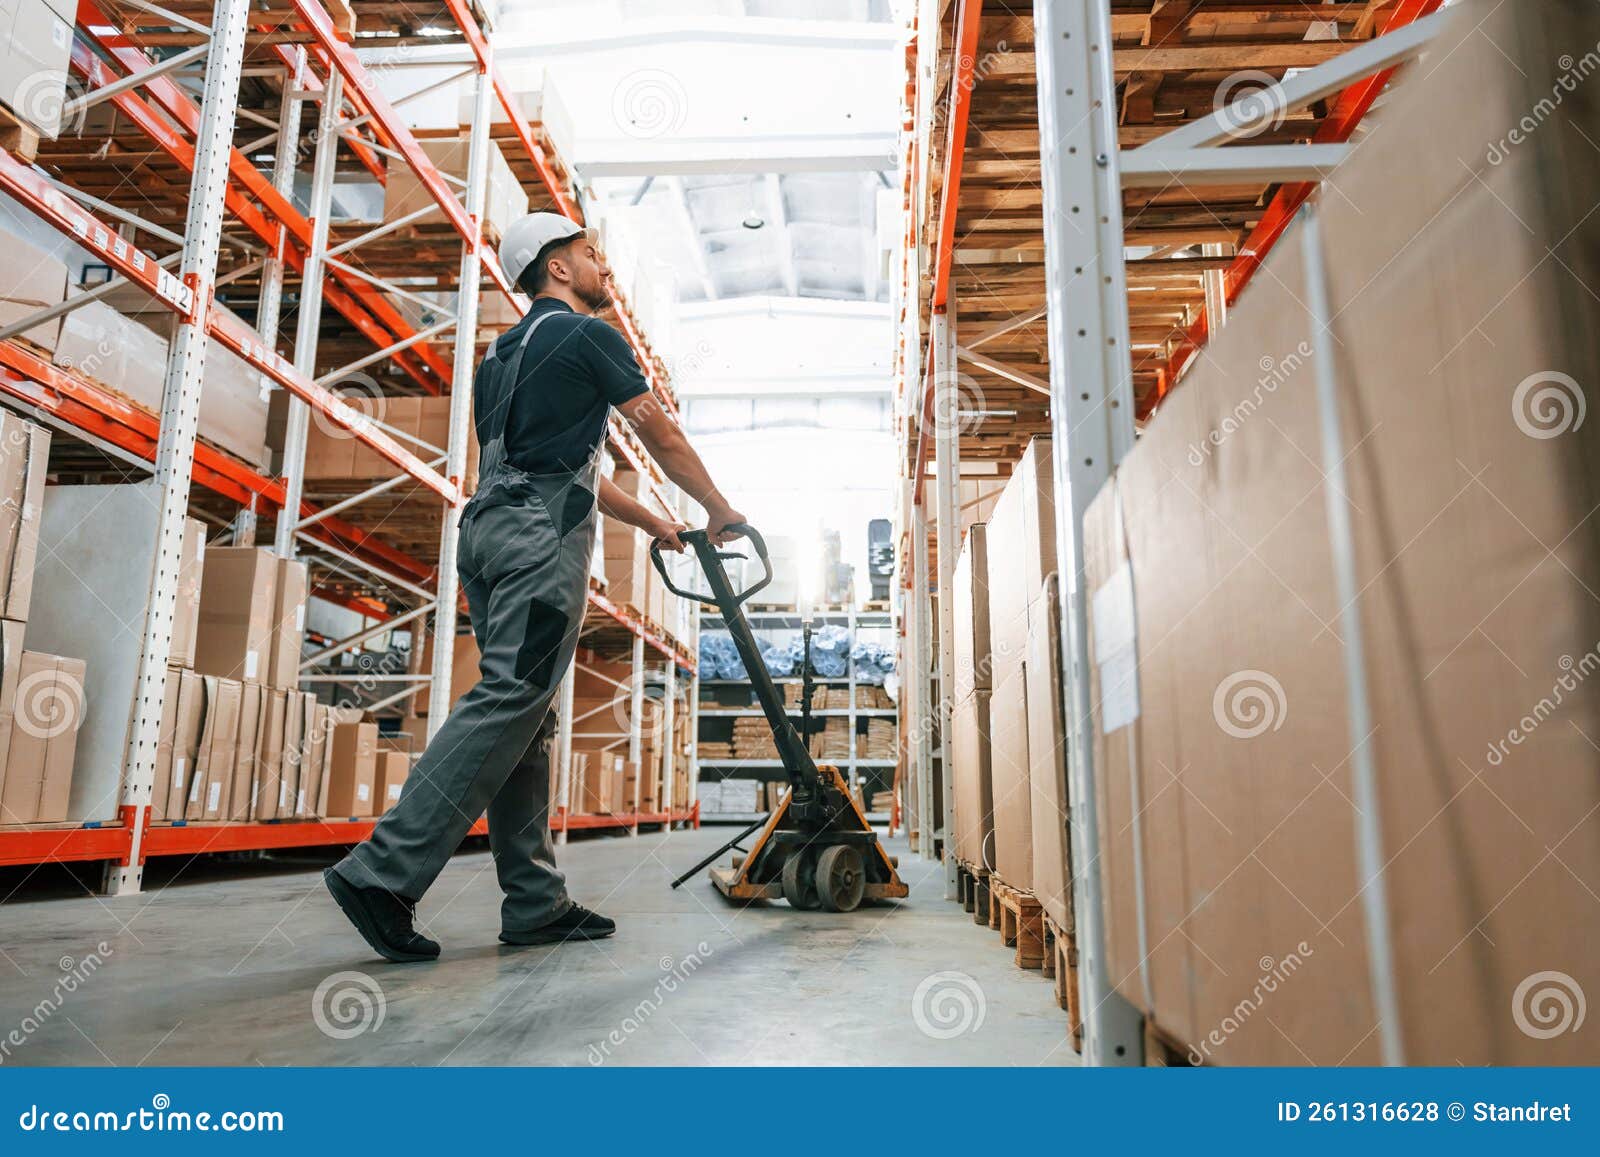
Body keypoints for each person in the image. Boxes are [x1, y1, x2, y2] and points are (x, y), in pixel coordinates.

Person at [325, 212, 746, 962]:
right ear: (557, 268)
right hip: (537, 540)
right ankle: (381, 872)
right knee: (511, 698)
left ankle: (534, 901)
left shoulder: (502, 356)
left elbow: (558, 464)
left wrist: (657, 521)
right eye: (589, 255)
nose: (600, 268)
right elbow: (660, 432)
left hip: (488, 533)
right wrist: (717, 506)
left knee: (526, 715)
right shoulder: (589, 337)